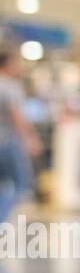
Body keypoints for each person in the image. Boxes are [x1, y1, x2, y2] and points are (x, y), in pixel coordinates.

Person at [0, 50, 40, 221]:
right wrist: (30, 139)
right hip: (8, 141)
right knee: (22, 185)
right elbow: (17, 117)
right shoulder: (9, 86)